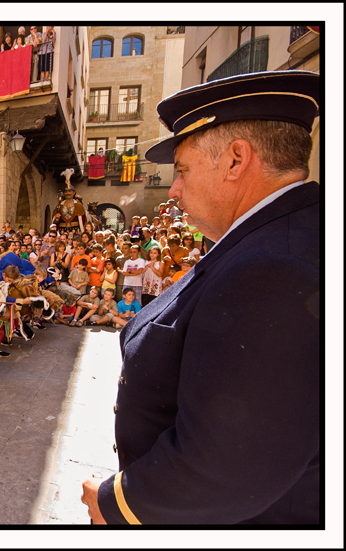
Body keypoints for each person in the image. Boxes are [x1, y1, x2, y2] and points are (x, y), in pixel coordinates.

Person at [82, 70, 320, 525]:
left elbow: (229, 466)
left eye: (183, 170)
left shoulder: (273, 269)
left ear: (235, 160)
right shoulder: (279, 240)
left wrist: (117, 502)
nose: (173, 189)